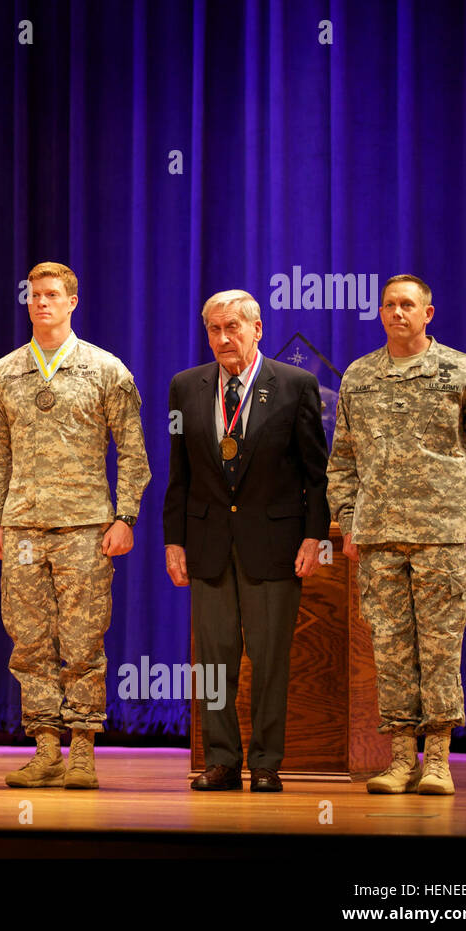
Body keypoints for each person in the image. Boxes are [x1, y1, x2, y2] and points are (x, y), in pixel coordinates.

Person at [328, 274, 466, 795]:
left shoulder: (461, 373)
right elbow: (342, 462)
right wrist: (348, 524)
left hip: (442, 538)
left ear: (427, 313)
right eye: (388, 305)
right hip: (380, 538)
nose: (396, 313)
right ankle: (398, 760)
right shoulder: (359, 377)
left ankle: (438, 761)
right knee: (390, 650)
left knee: (439, 650)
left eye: (407, 304)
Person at [0, 261, 150, 789]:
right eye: (33, 295)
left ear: (73, 302)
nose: (41, 303)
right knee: (28, 643)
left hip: (84, 528)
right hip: (24, 527)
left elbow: (133, 452)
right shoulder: (4, 374)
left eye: (52, 294)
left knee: (82, 642)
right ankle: (46, 748)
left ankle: (82, 750)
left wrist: (125, 516)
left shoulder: (106, 371)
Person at [163, 290, 329, 792]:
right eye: (214, 329)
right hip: (208, 543)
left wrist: (314, 537)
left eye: (233, 327)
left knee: (270, 658)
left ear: (258, 329)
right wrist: (174, 542)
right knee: (213, 663)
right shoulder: (186, 387)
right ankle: (221, 760)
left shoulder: (296, 385)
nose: (223, 338)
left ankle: (265, 763)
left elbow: (315, 475)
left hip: (276, 544)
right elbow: (180, 473)